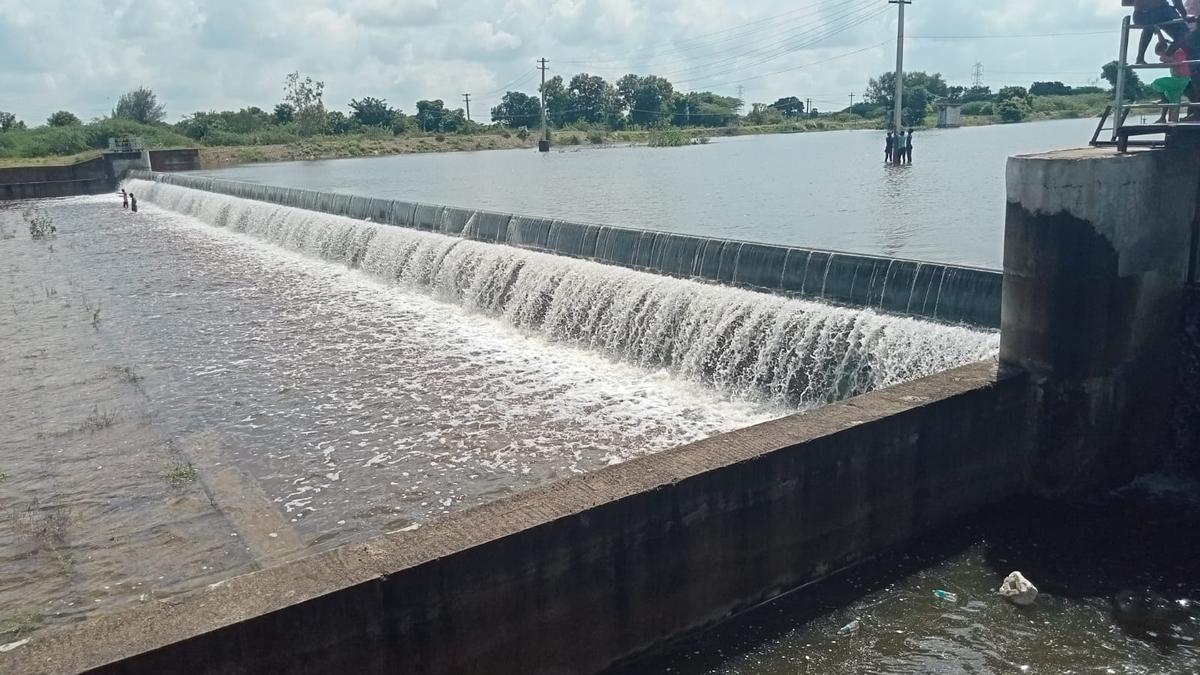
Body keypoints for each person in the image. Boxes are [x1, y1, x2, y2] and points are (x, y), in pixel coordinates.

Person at [1134, 0, 1189, 65]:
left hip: (1140, 16)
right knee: (1185, 34)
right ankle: (1167, 54)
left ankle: (1140, 57)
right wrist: (1184, 15)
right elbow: (1177, 1)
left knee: (1149, 26)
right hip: (1160, 12)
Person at [1153, 38, 1193, 121]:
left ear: (1166, 50)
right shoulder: (1172, 53)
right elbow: (1163, 42)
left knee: (1157, 83)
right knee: (1174, 102)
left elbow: (1178, 62)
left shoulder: (1179, 51)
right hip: (1175, 78)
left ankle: (1163, 100)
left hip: (1181, 80)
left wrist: (1167, 59)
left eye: (1161, 54)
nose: (1161, 56)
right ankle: (1173, 122)